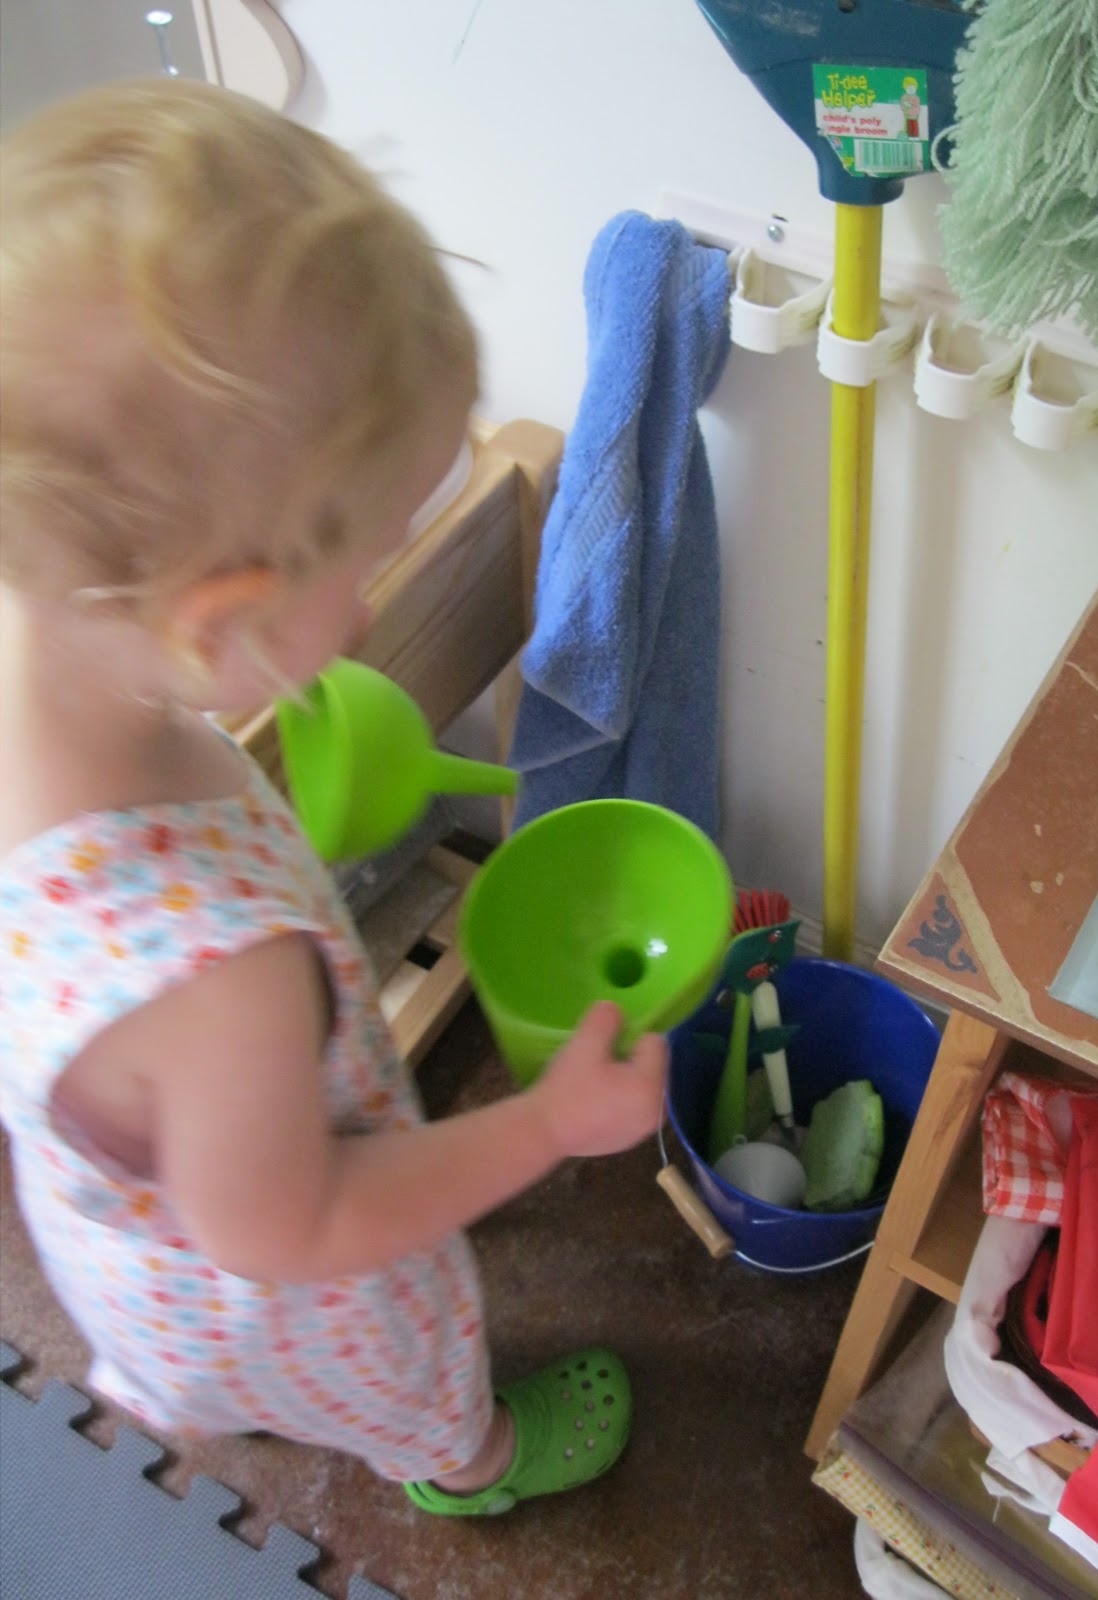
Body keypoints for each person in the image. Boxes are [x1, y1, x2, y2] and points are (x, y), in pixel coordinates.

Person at [0, 78, 667, 1517]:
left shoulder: (50, 656)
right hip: (289, 1283)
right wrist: (551, 1123)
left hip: (126, 1240)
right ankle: (465, 1465)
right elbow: (301, 1230)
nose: (372, 605)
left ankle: (210, 1395)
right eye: (367, 565)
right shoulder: (222, 981)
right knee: (414, 1353)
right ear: (214, 627)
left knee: (215, 1332)